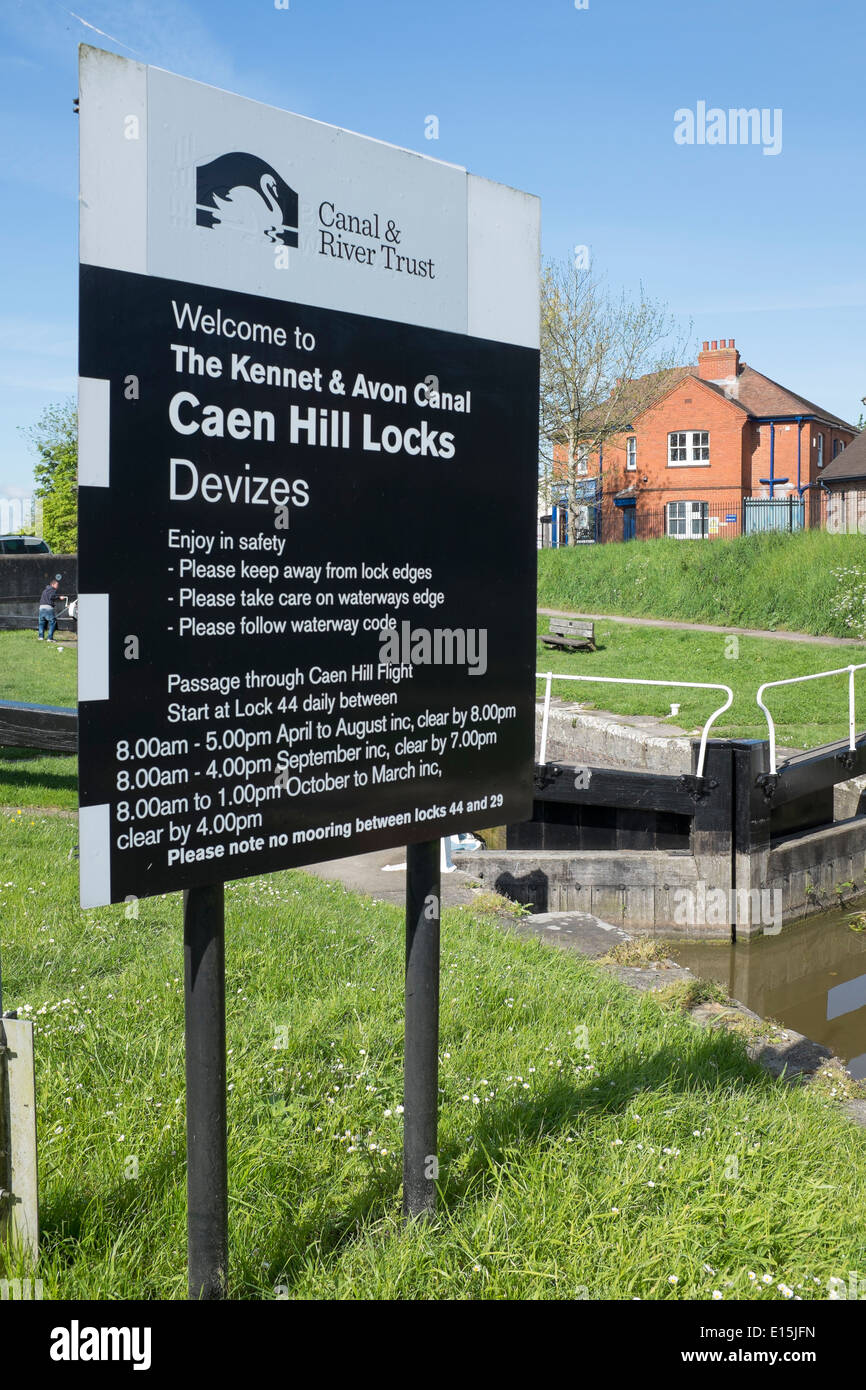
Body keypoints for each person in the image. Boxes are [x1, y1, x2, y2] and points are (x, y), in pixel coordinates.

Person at [37, 575, 66, 642]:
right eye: (57, 585)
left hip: (41, 608)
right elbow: (51, 597)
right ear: (52, 584)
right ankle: (50, 638)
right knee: (52, 622)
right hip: (48, 608)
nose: (57, 586)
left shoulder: (45, 590)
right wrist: (59, 597)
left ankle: (40, 637)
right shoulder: (52, 590)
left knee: (41, 623)